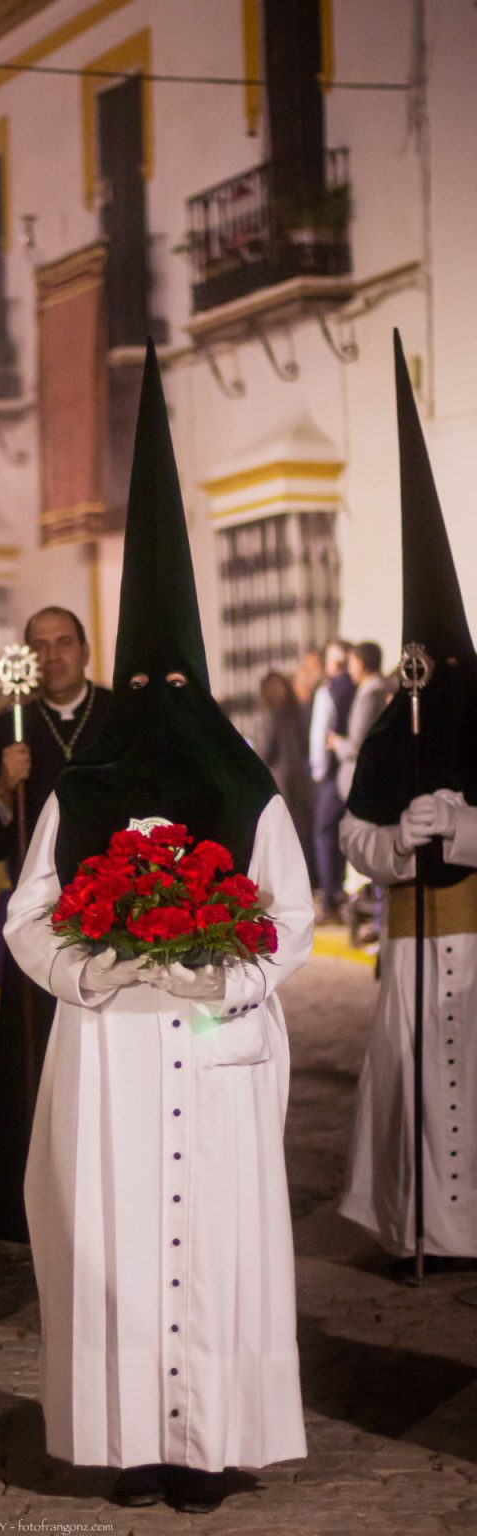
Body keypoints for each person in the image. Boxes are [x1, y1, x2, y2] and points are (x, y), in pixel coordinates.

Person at [5, 342, 313, 1514]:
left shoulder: (242, 788)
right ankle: (126, 1440)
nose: (159, 712)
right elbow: (32, 918)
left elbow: (289, 911)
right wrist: (94, 977)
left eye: (173, 690)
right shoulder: (82, 792)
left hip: (213, 1048)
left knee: (219, 1248)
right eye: (146, 691)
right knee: (112, 1249)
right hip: (109, 1056)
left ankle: (214, 1439)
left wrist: (228, 976)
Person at [340, 332, 477, 1262]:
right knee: (417, 1081)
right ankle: (417, 1225)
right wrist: (395, 840)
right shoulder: (394, 724)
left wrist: (464, 826)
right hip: (410, 932)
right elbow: (353, 828)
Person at [0, 607, 111, 1242]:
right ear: (26, 657)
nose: (52, 656)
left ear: (86, 649)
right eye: (39, 646)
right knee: (33, 1062)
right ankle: (28, 1207)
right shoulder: (4, 731)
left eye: (63, 643)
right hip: (40, 925)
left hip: (114, 915)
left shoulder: (119, 719)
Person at [309, 638, 356, 921]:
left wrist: (318, 770)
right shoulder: (358, 687)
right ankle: (340, 891)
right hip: (354, 771)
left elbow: (319, 735)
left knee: (325, 833)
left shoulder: (328, 690)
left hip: (331, 773)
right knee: (346, 832)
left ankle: (330, 897)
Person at [257, 669, 314, 870]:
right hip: (301, 777)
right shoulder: (298, 712)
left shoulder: (269, 715)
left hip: (280, 781)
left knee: (285, 835)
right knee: (303, 833)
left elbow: (265, 751)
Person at [329, 642, 388, 802]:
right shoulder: (384, 687)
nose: (349, 670)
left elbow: (358, 745)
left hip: (364, 778)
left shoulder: (370, 695)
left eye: (352, 664)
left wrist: (336, 743)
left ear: (361, 663)